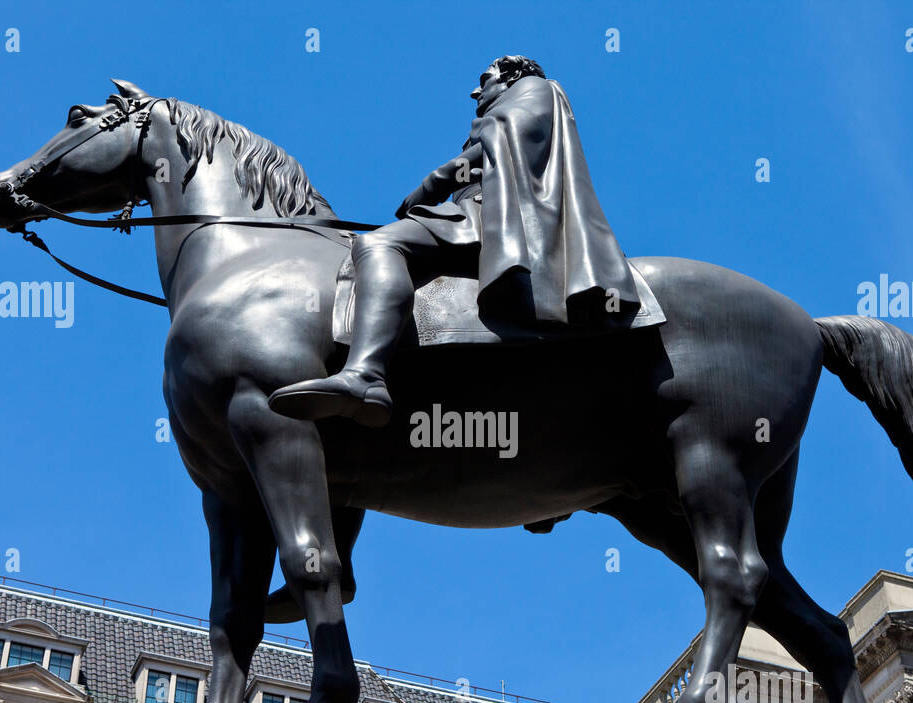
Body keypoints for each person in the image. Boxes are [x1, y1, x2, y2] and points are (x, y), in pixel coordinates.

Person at [268, 54, 639, 427]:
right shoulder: (509, 107)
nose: (476, 89)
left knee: (380, 244)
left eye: (486, 78)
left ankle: (365, 376)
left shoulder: (535, 88)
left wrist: (433, 183)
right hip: (481, 212)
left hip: (490, 217)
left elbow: (511, 137)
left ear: (511, 75)